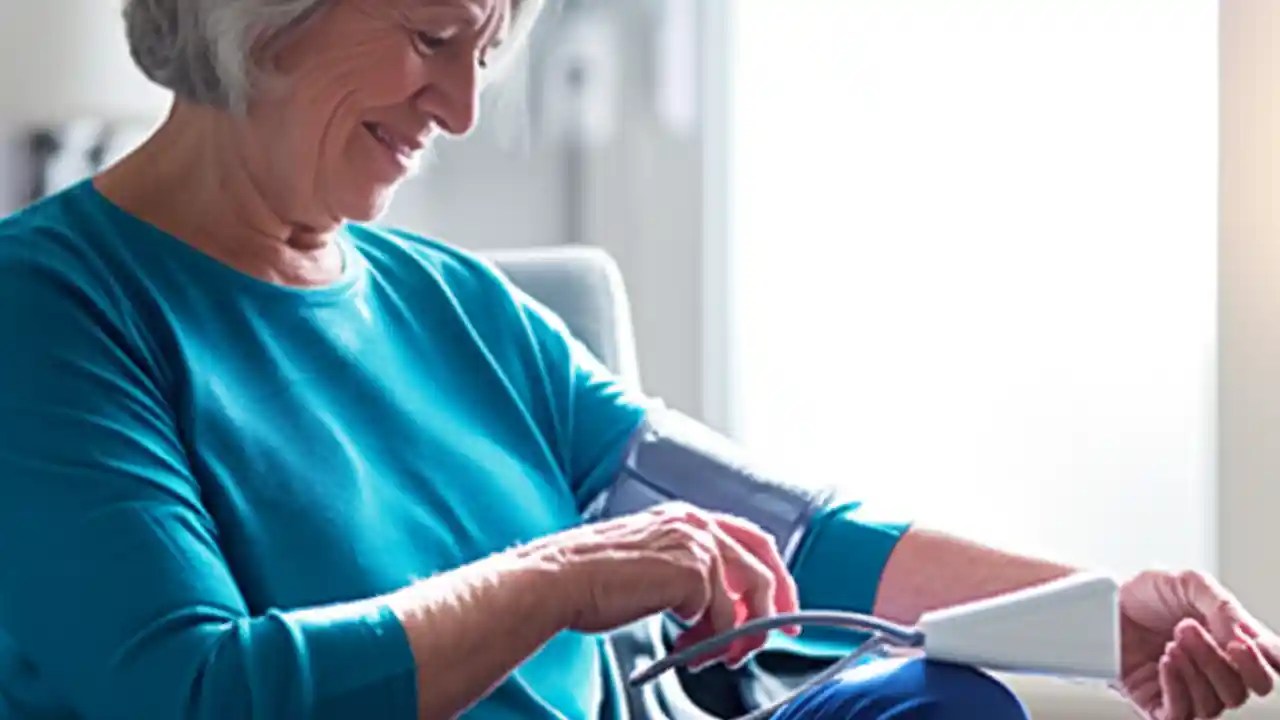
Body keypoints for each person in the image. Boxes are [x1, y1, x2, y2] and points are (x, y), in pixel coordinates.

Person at [0, 1, 1273, 718]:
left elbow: (791, 534)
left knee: (943, 708)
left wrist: (1100, 617)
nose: (460, 110)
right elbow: (196, 695)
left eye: (486, 54)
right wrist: (556, 579)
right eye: (435, 39)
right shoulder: (53, 308)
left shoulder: (461, 309)